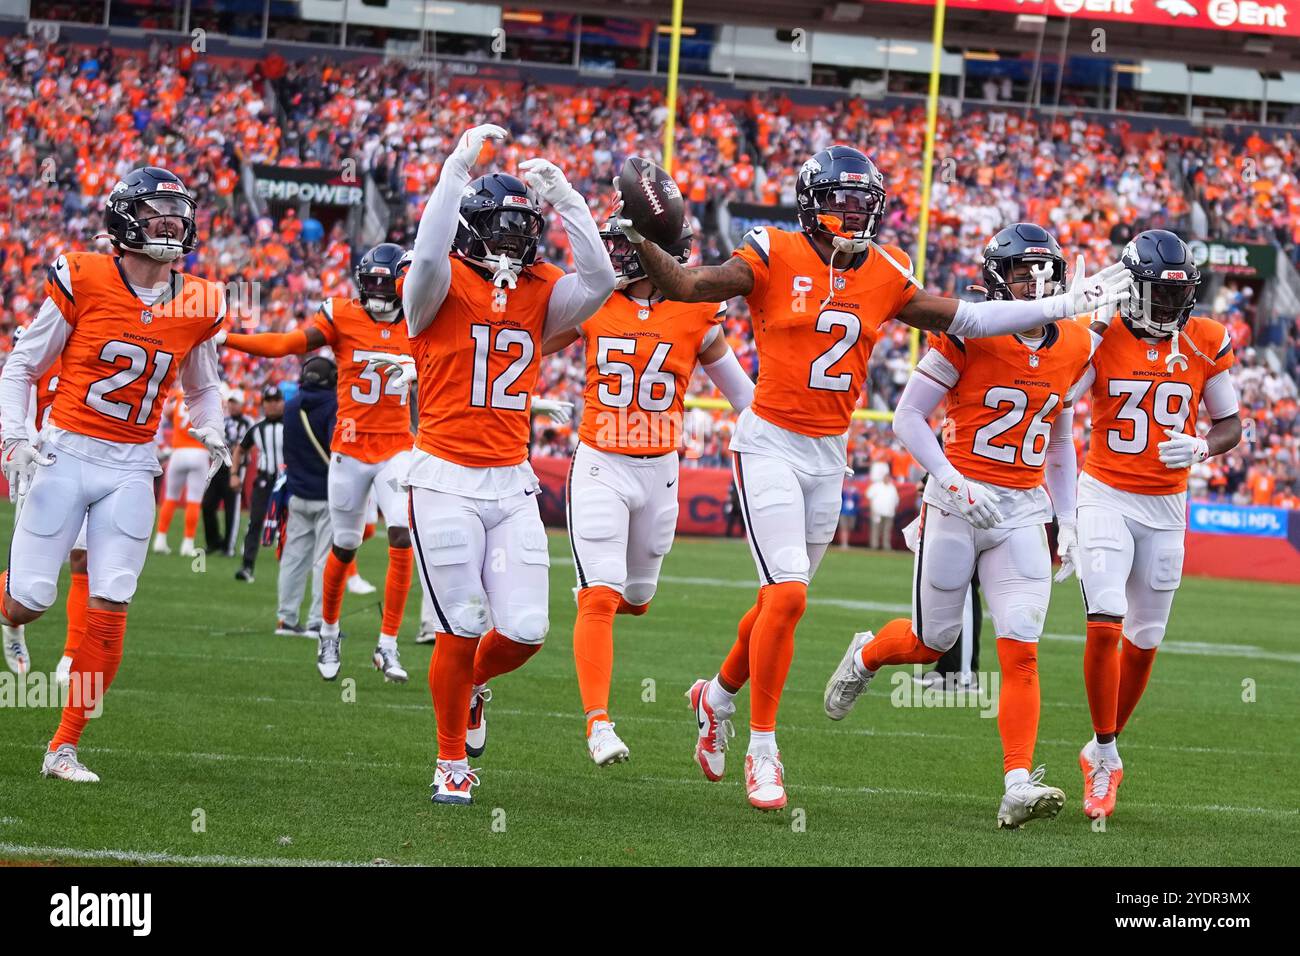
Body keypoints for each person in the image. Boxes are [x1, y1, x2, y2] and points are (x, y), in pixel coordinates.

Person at [622, 147, 1129, 810]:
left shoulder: (887, 269)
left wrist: (1063, 305)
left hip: (829, 455)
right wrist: (639, 237)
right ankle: (764, 749)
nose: (851, 215)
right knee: (789, 596)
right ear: (809, 201)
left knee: (780, 600)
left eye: (862, 203)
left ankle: (715, 695)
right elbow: (690, 287)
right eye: (840, 201)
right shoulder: (771, 250)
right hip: (769, 441)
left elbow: (971, 318)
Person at [821, 222, 1095, 828]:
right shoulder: (967, 333)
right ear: (999, 275)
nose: (1037, 281)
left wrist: (1069, 517)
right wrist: (952, 481)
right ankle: (867, 656)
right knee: (932, 642)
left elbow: (1061, 439)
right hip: (955, 501)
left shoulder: (1076, 344)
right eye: (1024, 270)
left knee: (1020, 651)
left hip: (1023, 509)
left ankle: (1017, 782)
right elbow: (908, 418)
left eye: (1046, 269)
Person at [402, 124, 616, 805]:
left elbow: (602, 279)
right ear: (470, 227)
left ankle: (473, 690)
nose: (514, 242)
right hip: (443, 474)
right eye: (501, 227)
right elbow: (429, 251)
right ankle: (450, 762)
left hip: (512, 478)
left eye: (524, 229)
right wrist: (455, 167)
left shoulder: (538, 285)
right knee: (461, 622)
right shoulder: (436, 283)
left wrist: (569, 199)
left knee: (525, 631)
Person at [0, 165, 229, 783]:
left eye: (178, 210)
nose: (171, 221)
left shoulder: (200, 299)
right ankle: (9, 611)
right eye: (157, 210)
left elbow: (203, 387)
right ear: (125, 219)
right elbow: (21, 366)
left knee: (113, 601)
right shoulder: (84, 275)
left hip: (132, 462)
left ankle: (63, 747)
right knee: (29, 600)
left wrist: (214, 428)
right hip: (66, 450)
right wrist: (14, 439)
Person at [542, 216, 754, 766]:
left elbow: (744, 398)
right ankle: (598, 724)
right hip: (600, 463)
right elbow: (513, 351)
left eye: (621, 245)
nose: (611, 255)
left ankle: (599, 589)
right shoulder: (593, 304)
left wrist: (798, 438)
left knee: (635, 599)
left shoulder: (697, 311)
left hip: (660, 469)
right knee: (602, 596)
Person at [1071, 229, 1242, 819]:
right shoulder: (1104, 333)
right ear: (1132, 289)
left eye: (1179, 296)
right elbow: (1060, 393)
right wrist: (1087, 329)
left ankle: (1098, 751)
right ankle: (1110, 753)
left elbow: (1230, 424)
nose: (1171, 308)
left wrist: (1202, 448)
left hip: (1167, 506)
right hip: (1105, 494)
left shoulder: (1205, 339)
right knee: (1105, 624)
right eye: (1159, 295)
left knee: (1145, 641)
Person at [219, 243, 418, 683]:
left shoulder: (422, 318)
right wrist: (227, 336)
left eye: (388, 283)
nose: (379, 292)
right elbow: (286, 345)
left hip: (397, 447)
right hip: (349, 449)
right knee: (344, 547)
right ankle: (329, 630)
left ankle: (388, 643)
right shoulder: (343, 314)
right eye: (373, 283)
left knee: (402, 535)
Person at [277, 357, 338, 649]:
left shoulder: (290, 406)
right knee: (324, 562)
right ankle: (318, 621)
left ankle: (286, 619)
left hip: (298, 493)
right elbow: (335, 450)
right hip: (327, 495)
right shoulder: (333, 406)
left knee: (293, 559)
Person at [151, 388, 215, 557]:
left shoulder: (178, 395)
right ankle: (188, 543)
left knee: (170, 497)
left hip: (178, 452)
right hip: (199, 452)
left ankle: (160, 539)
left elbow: (165, 415)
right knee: (194, 500)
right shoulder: (207, 396)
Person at [233, 385, 285, 584]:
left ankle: (288, 567)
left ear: (282, 402)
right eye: (268, 401)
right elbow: (240, 449)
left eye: (275, 400)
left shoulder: (292, 424)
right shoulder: (257, 428)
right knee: (255, 522)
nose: (272, 405)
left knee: (288, 524)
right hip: (264, 479)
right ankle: (247, 567)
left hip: (287, 480)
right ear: (263, 404)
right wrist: (234, 473)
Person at [202, 387, 252, 556]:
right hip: (219, 466)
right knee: (207, 504)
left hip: (236, 468)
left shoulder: (247, 422)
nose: (232, 406)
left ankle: (228, 547)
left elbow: (243, 445)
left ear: (242, 404)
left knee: (232, 507)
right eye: (230, 402)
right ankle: (213, 541)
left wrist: (236, 471)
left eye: (235, 403)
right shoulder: (223, 420)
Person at [865, 460, 899, 550]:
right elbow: (869, 496)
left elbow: (896, 500)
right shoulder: (876, 485)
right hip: (877, 512)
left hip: (889, 512)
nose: (887, 479)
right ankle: (874, 545)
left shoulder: (892, 487)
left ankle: (886, 546)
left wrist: (893, 509)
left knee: (887, 531)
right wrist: (872, 510)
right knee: (876, 529)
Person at [837, 481, 861, 548]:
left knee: (849, 528)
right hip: (844, 512)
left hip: (852, 512)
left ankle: (845, 542)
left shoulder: (855, 492)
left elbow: (858, 501)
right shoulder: (843, 491)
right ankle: (844, 543)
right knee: (843, 528)